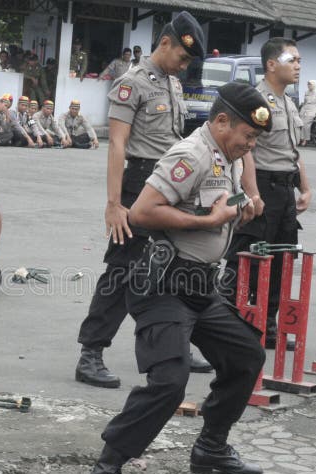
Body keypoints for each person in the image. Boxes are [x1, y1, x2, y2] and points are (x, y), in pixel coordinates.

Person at [84, 82, 272, 474]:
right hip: (162, 284)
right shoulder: (192, 155)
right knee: (170, 381)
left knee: (246, 355)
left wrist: (241, 206)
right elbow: (142, 212)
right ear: (222, 121)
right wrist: (208, 219)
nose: (251, 144)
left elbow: (225, 199)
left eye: (255, 139)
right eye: (247, 134)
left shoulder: (228, 154)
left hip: (200, 288)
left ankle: (210, 447)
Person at [75, 11, 210, 389]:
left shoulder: (173, 84)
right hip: (138, 186)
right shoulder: (131, 83)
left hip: (171, 187)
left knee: (178, 270)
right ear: (165, 43)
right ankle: (91, 352)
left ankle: (177, 344)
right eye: (182, 58)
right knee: (123, 271)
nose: (184, 67)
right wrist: (114, 204)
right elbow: (117, 143)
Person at [222, 37, 312, 350]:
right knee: (245, 258)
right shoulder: (256, 100)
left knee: (280, 259)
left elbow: (292, 150)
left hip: (284, 190)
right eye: (293, 60)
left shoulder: (288, 102)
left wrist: (305, 186)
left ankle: (267, 324)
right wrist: (252, 193)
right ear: (272, 64)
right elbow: (247, 150)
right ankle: (226, 323)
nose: (299, 66)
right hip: (261, 186)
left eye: (300, 60)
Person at [299, 79, 316, 146]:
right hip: (304, 109)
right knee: (300, 123)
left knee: (306, 125)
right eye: (308, 84)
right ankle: (300, 138)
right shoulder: (306, 92)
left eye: (310, 84)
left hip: (313, 110)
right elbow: (304, 102)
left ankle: (305, 139)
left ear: (314, 85)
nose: (308, 86)